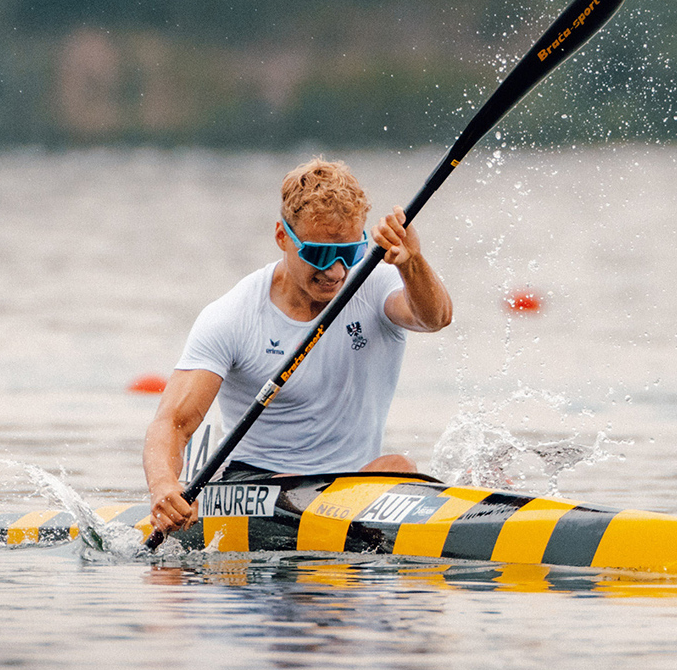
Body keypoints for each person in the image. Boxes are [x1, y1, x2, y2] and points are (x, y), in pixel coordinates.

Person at [143, 157, 453, 534]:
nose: (336, 271)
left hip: (351, 490)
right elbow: (173, 423)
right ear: (282, 237)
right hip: (256, 490)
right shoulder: (234, 315)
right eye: (320, 254)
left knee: (397, 467)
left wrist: (412, 263)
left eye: (349, 252)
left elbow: (434, 318)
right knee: (329, 482)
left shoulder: (375, 283)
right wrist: (165, 488)